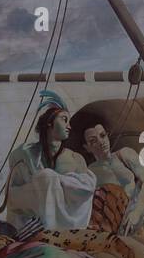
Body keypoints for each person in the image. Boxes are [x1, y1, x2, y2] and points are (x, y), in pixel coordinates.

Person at [7, 95, 97, 232]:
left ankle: (54, 230)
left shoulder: (74, 158)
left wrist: (59, 180)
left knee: (48, 176)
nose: (69, 126)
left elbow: (88, 187)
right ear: (50, 123)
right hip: (30, 217)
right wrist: (46, 181)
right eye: (64, 120)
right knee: (46, 177)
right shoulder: (26, 154)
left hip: (69, 220)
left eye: (69, 122)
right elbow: (14, 191)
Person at [81, 122, 144, 236]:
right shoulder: (90, 171)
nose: (101, 142)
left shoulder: (124, 154)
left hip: (135, 213)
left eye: (102, 135)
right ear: (87, 147)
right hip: (112, 221)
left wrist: (136, 213)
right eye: (93, 141)